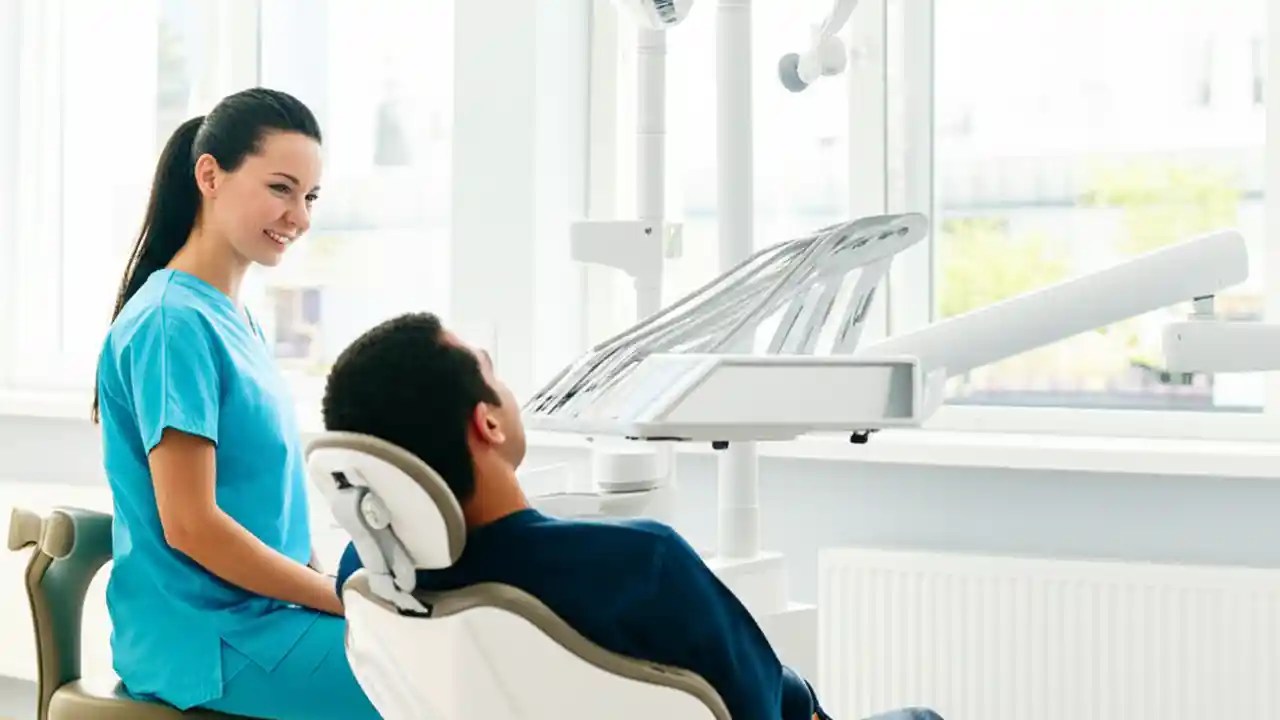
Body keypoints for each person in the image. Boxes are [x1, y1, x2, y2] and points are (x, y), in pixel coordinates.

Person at [324, 312, 943, 720]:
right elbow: (757, 709)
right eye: (494, 372)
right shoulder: (640, 563)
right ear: (487, 421)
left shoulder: (373, 580)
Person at [93, 87, 380, 719]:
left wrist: (340, 589)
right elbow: (190, 525)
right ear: (209, 176)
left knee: (438, 656)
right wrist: (340, 597)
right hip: (206, 642)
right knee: (434, 683)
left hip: (263, 621)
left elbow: (266, 507)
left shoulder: (232, 319)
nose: (299, 217)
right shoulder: (172, 323)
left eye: (310, 197)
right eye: (281, 188)